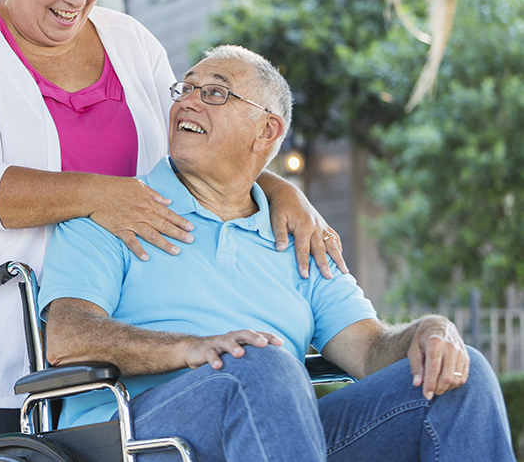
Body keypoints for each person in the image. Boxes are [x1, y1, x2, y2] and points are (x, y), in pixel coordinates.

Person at [0, 0, 348, 460]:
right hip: (0, 330)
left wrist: (277, 186)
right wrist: (99, 194)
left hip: (123, 323)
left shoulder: (129, 41)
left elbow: (191, 145)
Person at [38, 45, 514, 461]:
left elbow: (370, 352)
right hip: (134, 437)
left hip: (282, 437)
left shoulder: (299, 238)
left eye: (216, 93)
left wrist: (427, 332)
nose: (188, 101)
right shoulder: (117, 210)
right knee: (258, 361)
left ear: (266, 131)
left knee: (456, 373)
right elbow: (66, 338)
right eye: (185, 89)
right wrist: (189, 349)